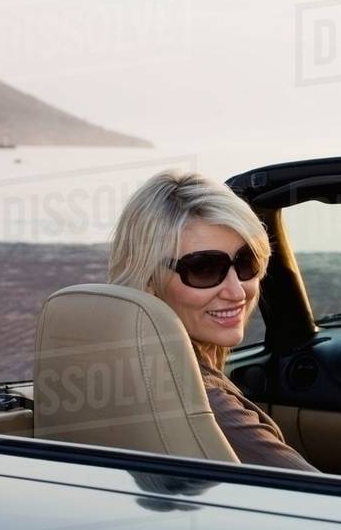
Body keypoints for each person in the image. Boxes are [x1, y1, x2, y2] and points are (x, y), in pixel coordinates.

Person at [109, 169, 317, 473]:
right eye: (204, 268)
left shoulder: (112, 373)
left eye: (247, 262)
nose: (237, 291)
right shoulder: (205, 403)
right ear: (149, 280)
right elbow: (330, 507)